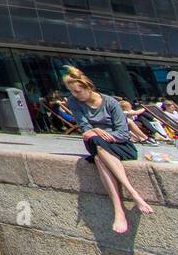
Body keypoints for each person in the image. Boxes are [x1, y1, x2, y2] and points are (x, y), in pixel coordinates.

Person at [62, 66, 154, 234]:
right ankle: (132, 194)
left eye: (77, 91)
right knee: (96, 141)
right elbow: (85, 129)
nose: (74, 95)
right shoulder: (73, 102)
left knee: (98, 158)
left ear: (88, 87)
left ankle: (120, 209)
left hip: (121, 145)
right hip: (96, 142)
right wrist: (97, 131)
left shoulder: (110, 102)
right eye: (71, 91)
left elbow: (123, 133)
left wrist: (102, 133)